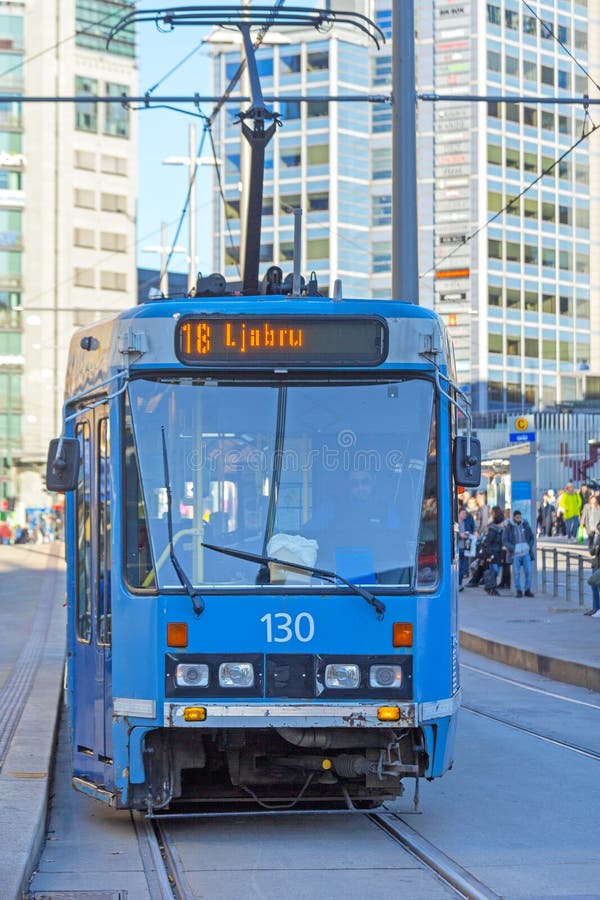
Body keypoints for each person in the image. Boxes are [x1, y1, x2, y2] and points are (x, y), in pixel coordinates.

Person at [503, 509, 535, 597]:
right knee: (516, 573)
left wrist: (529, 546)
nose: (519, 519)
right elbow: (505, 540)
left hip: (525, 553)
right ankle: (518, 590)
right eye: (517, 517)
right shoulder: (509, 527)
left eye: (520, 517)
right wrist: (513, 548)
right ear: (513, 517)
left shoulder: (525, 525)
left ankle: (527, 589)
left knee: (528, 571)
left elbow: (532, 538)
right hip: (515, 554)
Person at [480, 508, 505, 596]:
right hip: (493, 554)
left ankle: (490, 587)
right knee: (494, 571)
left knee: (495, 571)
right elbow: (487, 542)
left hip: (497, 553)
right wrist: (487, 555)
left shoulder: (499, 530)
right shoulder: (494, 530)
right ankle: (492, 588)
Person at [457, 507, 475, 591]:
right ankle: (458, 584)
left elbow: (470, 531)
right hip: (458, 547)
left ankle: (460, 583)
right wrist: (460, 536)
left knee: (463, 567)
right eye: (463, 513)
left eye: (465, 514)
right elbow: (453, 534)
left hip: (466, 547)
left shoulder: (466, 523)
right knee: (459, 566)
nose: (465, 515)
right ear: (459, 514)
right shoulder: (455, 523)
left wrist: (469, 534)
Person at [586, 521, 600, 617]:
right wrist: (595, 539)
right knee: (593, 586)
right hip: (595, 564)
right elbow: (591, 551)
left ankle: (597, 609)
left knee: (595, 585)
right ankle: (596, 608)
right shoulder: (596, 537)